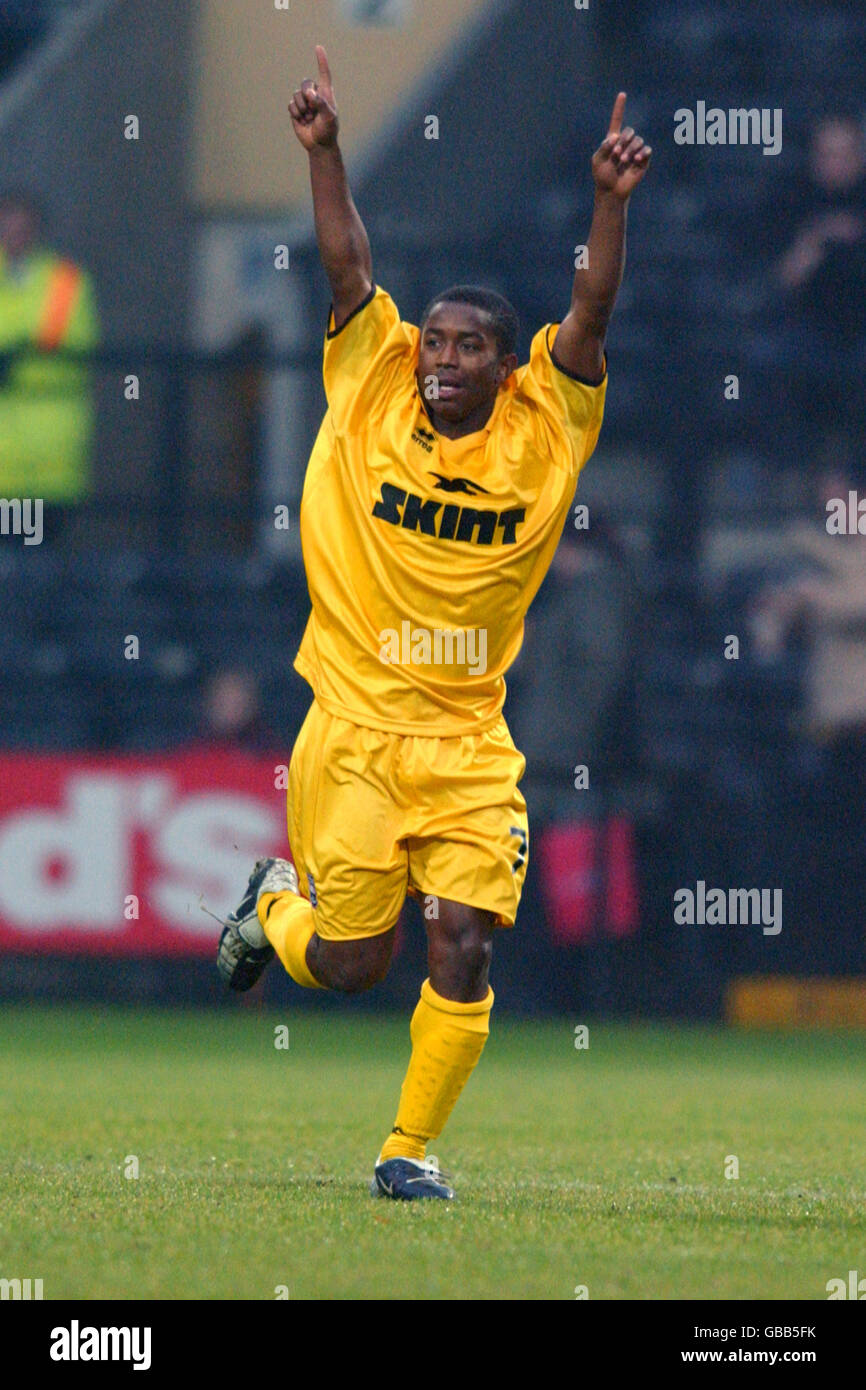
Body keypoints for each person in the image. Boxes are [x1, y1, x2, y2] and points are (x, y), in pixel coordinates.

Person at [217, 46, 651, 1200]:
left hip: (466, 744)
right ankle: (270, 906)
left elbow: (591, 307)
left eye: (468, 347)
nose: (442, 360)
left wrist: (608, 204)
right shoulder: (369, 380)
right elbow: (347, 259)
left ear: (510, 370)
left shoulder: (547, 425)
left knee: (463, 938)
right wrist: (324, 152)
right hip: (353, 732)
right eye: (435, 343)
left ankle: (406, 1152)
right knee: (355, 964)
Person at [0, 189, 99, 543]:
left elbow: (75, 349)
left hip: (51, 462)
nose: (14, 237)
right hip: (7, 464)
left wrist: (17, 358)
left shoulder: (64, 282)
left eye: (21, 229)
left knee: (41, 566)